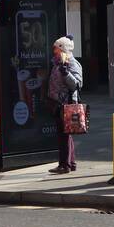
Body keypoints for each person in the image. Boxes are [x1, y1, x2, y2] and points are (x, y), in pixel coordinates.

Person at [46, 36, 83, 174]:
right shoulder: (57, 62)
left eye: (56, 47)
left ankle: (64, 165)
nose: (54, 50)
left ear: (62, 49)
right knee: (65, 134)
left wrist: (65, 72)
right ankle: (70, 163)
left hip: (66, 103)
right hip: (57, 102)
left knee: (64, 135)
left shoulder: (72, 63)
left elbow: (77, 84)